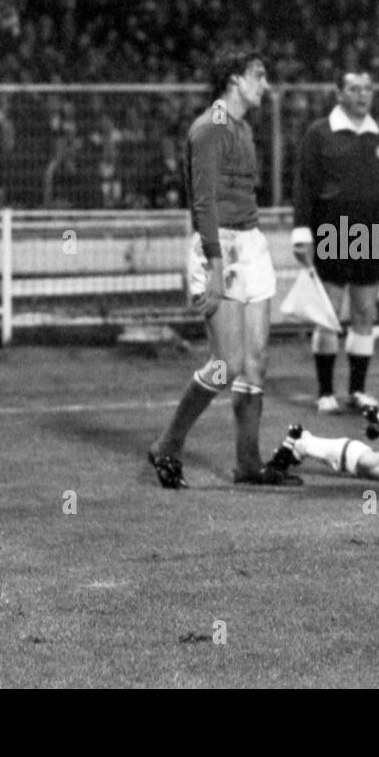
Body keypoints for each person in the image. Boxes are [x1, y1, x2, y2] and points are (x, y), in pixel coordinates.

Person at [148, 48, 299, 488]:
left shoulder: (243, 129)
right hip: (221, 250)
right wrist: (215, 267)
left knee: (257, 362)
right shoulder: (209, 128)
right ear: (235, 79)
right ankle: (167, 444)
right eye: (259, 75)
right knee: (227, 364)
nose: (265, 85)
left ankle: (248, 465)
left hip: (250, 244)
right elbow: (204, 203)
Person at [291, 71, 379, 413]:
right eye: (354, 89)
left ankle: (357, 390)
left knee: (365, 313)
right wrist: (302, 233)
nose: (363, 95)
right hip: (333, 231)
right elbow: (304, 186)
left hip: (372, 234)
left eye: (368, 89)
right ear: (339, 93)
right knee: (328, 316)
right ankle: (325, 392)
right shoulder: (319, 134)